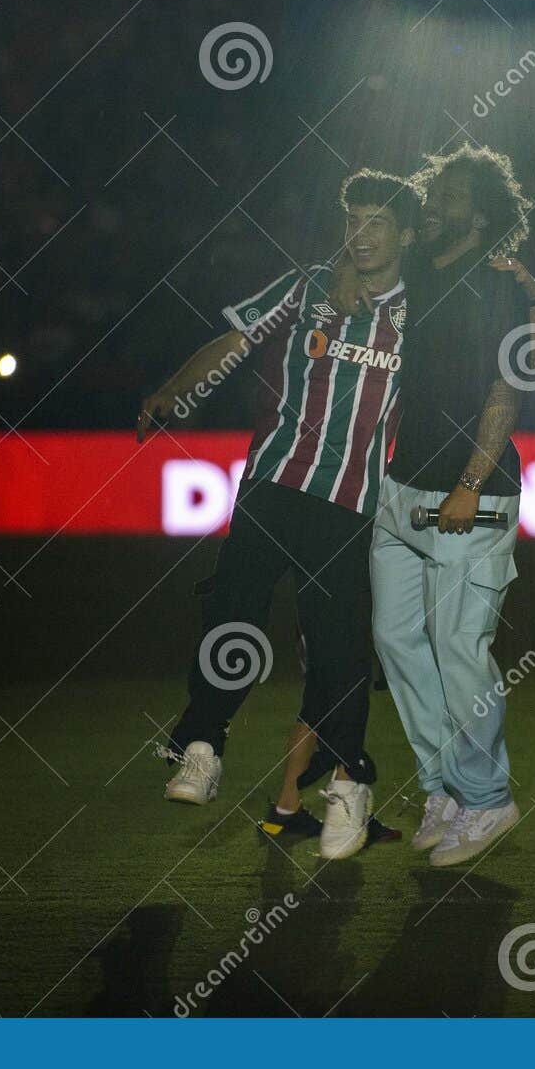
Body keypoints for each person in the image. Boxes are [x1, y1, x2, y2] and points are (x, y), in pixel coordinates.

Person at [136, 170, 419, 860]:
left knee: (339, 647)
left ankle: (349, 784)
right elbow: (234, 341)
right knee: (232, 608)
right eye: (355, 218)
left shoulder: (425, 309)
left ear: (406, 235)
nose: (365, 232)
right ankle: (202, 745)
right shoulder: (308, 285)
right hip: (272, 481)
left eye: (379, 221)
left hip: (350, 502)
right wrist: (175, 389)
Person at [341, 144, 535, 868]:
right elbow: (353, 270)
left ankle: (489, 799)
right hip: (401, 489)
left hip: (474, 495)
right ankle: (445, 789)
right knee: (397, 642)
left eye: (449, 194)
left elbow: (505, 391)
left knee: (461, 648)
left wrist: (471, 480)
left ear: (481, 214)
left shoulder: (506, 288)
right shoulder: (421, 271)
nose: (432, 204)